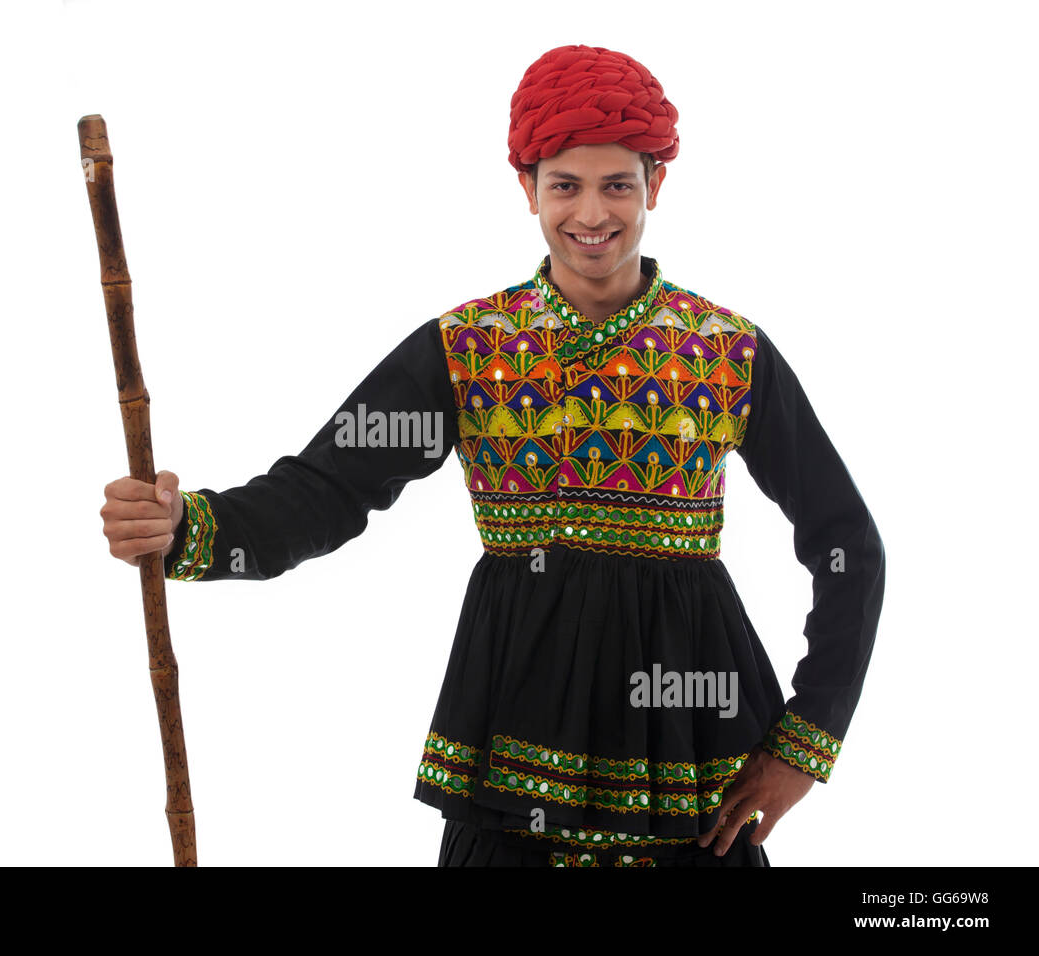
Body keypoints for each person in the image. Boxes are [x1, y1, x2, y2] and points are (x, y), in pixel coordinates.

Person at [99, 44, 886, 867]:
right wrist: (188, 525)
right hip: (512, 753)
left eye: (618, 183)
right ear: (527, 188)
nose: (592, 212)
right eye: (565, 184)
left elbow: (848, 546)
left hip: (690, 773)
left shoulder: (727, 353)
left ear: (656, 185)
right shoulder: (472, 348)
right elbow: (327, 489)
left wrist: (804, 746)